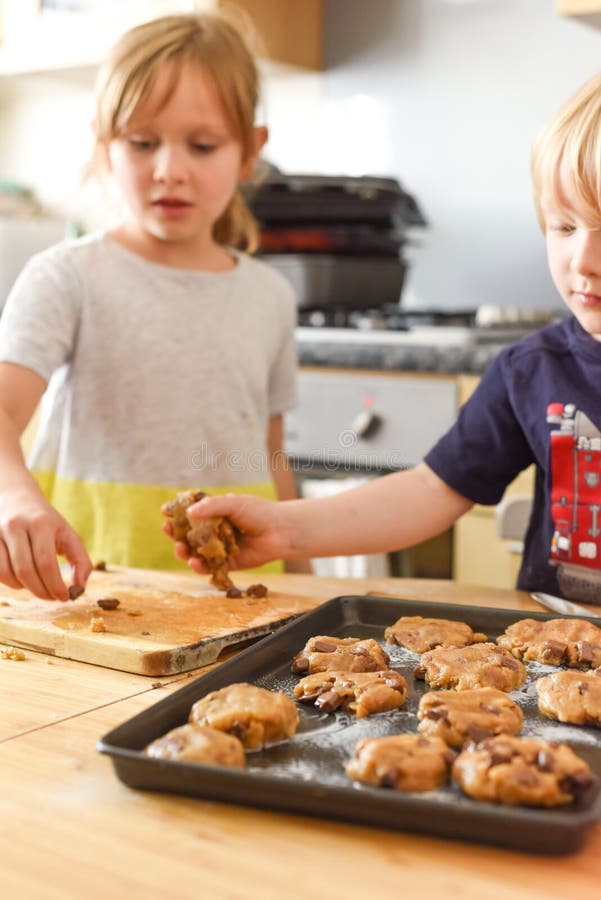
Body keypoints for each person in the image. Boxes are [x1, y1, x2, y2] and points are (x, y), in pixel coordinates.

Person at [167, 69, 601, 603]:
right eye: (564, 226)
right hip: (561, 661)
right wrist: (284, 528)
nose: (583, 260)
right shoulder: (532, 370)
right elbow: (429, 490)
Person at [0, 12, 302, 600]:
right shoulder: (68, 277)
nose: (170, 170)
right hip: (95, 593)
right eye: (142, 143)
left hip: (238, 597)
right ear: (104, 145)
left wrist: (302, 579)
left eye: (203, 145)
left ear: (249, 151)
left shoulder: (271, 296)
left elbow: (271, 456)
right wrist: (13, 496)